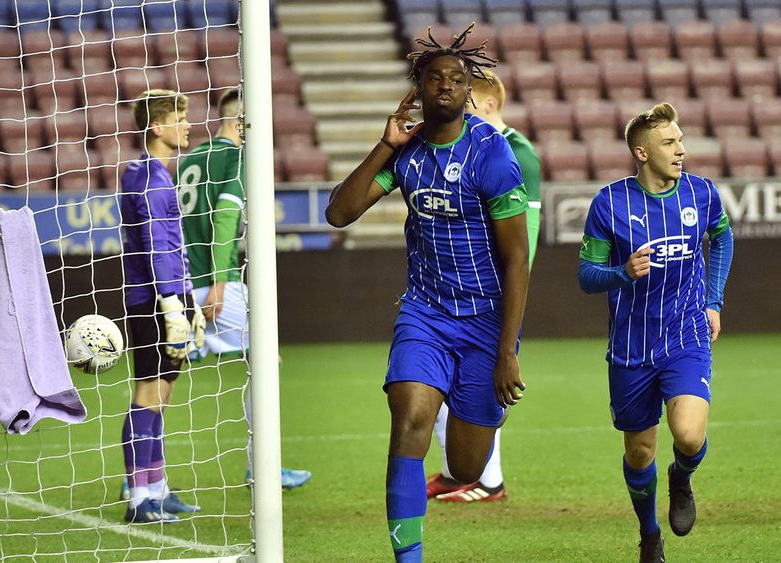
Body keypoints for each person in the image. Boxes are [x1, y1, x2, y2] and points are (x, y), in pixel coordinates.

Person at [325, 23, 530, 562]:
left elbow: (517, 259)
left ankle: (476, 424)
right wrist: (384, 145)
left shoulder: (492, 155)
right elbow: (340, 213)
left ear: (468, 91)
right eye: (435, 77)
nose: (446, 85)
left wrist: (507, 351)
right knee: (410, 419)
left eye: (457, 79)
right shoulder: (407, 153)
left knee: (465, 466)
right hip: (426, 312)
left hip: (486, 319)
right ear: (418, 87)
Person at [578, 102, 733, 562]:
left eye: (680, 140)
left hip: (686, 335)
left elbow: (722, 237)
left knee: (689, 436)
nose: (680, 149)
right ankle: (649, 535)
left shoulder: (702, 194)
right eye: (669, 143)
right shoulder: (609, 203)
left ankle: (681, 477)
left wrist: (713, 300)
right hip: (631, 346)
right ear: (641, 153)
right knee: (640, 452)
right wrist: (621, 273)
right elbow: (586, 275)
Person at [175, 87, 311, 490]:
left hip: (183, 285)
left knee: (158, 382)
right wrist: (220, 282)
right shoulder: (237, 158)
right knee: (267, 362)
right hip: (219, 285)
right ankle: (264, 468)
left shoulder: (189, 160)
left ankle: (142, 478)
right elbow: (224, 220)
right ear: (242, 120)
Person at [425, 68, 540, 503]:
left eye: (467, 100)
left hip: (489, 295)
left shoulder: (516, 152)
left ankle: (485, 480)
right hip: (452, 290)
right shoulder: (464, 145)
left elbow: (525, 236)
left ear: (489, 103)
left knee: (480, 388)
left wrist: (511, 286)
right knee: (440, 383)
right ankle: (460, 474)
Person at [119, 89, 206, 523]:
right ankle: (139, 498)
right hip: (155, 297)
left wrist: (190, 304)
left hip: (172, 292)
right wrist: (173, 306)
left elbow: (171, 245)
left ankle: (157, 488)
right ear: (157, 126)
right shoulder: (151, 179)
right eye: (180, 118)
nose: (188, 125)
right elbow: (156, 246)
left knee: (163, 395)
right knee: (148, 395)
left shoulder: (146, 173)